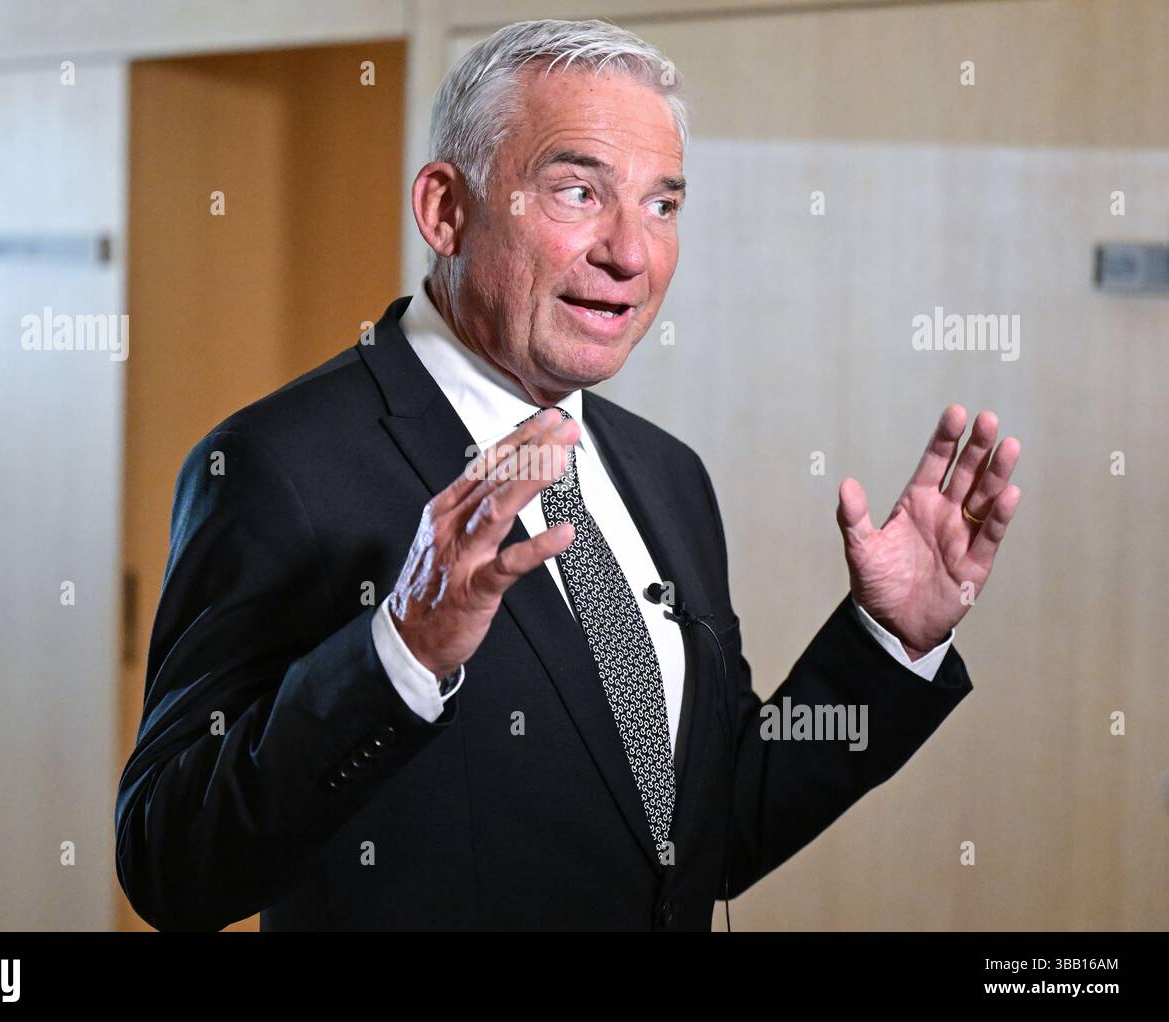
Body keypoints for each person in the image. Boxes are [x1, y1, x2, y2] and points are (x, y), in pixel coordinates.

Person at [115, 18, 1022, 931]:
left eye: (663, 206)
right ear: (444, 210)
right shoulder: (279, 465)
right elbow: (169, 862)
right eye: (579, 192)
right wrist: (401, 654)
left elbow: (708, 831)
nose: (631, 252)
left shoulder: (669, 475)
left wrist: (887, 644)